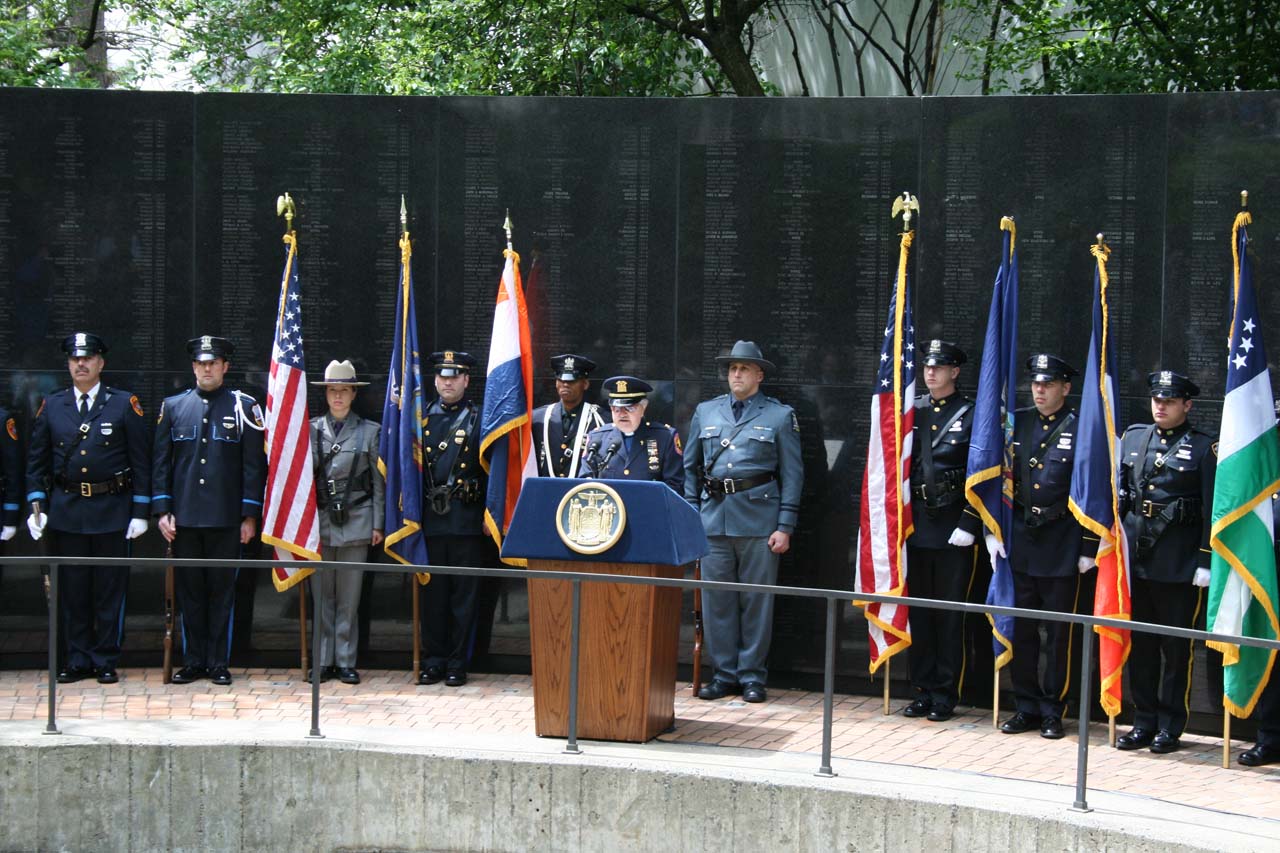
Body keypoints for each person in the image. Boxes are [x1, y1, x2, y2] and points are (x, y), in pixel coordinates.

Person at [25, 332, 151, 684]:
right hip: (67, 512)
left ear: (101, 363)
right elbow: (36, 464)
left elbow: (141, 462)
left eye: (88, 358)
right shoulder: (52, 406)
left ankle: (105, 658)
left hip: (112, 511)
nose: (80, 364)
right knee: (73, 591)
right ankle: (77, 658)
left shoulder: (124, 404)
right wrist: (37, 505)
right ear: (68, 364)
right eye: (74, 359)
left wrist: (140, 511)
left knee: (110, 591)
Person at [684, 340, 803, 703]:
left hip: (759, 521)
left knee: (756, 602)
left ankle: (752, 675)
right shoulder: (706, 412)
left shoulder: (779, 416)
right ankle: (724, 675)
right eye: (732, 369)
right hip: (714, 521)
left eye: (744, 369)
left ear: (759, 375)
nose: (736, 374)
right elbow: (691, 468)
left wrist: (785, 525)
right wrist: (693, 517)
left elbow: (793, 474)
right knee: (717, 601)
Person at [152, 335, 265, 687]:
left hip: (225, 519)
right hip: (184, 519)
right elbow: (162, 464)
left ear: (225, 367)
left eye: (213, 363)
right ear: (193, 367)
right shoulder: (173, 407)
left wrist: (248, 515)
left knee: (221, 594)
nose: (207, 369)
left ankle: (218, 662)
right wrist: (163, 510)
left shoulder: (243, 407)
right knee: (190, 593)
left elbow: (252, 466)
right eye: (201, 363)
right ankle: (193, 660)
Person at [1116, 370, 1216, 754]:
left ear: (1187, 405)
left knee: (1175, 651)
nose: (1161, 406)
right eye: (1157, 399)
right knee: (1142, 647)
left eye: (1170, 400)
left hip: (1178, 566)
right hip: (1138, 561)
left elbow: (1211, 508)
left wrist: (1205, 559)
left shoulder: (1204, 448)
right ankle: (1143, 721)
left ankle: (1171, 726)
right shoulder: (1135, 438)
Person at [999, 354, 1098, 739]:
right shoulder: (1018, 421)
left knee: (1058, 636)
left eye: (1048, 384)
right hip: (1023, 539)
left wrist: (1088, 546)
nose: (1039, 390)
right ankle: (1025, 705)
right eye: (1036, 383)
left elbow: (1093, 492)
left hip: (1062, 543)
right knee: (1021, 630)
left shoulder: (1081, 427)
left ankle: (1054, 709)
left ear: (1066, 388)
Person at [901, 340, 983, 722]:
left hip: (953, 528)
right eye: (927, 367)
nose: (930, 373)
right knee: (920, 613)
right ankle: (922, 688)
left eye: (939, 367)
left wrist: (969, 522)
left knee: (949, 617)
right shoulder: (910, 412)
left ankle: (946, 692)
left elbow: (982, 474)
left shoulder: (971, 415)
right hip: (916, 524)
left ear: (955, 372)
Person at [308, 359, 384, 685]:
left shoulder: (370, 432)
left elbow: (379, 485)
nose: (338, 397)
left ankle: (345, 660)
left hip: (356, 520)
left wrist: (378, 524)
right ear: (325, 395)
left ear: (353, 394)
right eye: (332, 391)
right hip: (321, 522)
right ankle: (322, 660)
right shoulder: (309, 431)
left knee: (349, 600)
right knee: (322, 595)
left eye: (344, 391)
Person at [419, 350, 487, 688]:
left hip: (466, 522)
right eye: (442, 376)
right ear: (434, 380)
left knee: (464, 598)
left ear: (466, 380)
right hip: (429, 522)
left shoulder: (479, 419)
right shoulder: (420, 420)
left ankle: (458, 663)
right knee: (433, 598)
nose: (447, 382)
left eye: (454, 376)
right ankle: (433, 660)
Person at [583, 376, 682, 491]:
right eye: (617, 409)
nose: (622, 414)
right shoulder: (597, 439)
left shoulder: (665, 437)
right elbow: (585, 482)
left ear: (643, 408)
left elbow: (675, 485)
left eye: (629, 408)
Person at [532, 353, 606, 478]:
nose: (565, 384)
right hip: (546, 491)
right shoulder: (538, 418)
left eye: (572, 380)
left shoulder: (601, 419)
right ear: (556, 383)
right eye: (561, 379)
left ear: (585, 384)